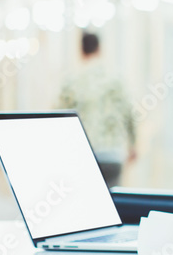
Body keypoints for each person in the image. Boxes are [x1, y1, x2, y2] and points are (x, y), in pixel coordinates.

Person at [58, 32, 136, 187]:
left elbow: (59, 116)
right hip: (112, 154)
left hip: (84, 154)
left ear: (81, 50)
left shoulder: (71, 81)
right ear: (99, 49)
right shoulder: (115, 79)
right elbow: (129, 113)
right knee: (113, 204)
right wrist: (133, 145)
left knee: (89, 205)